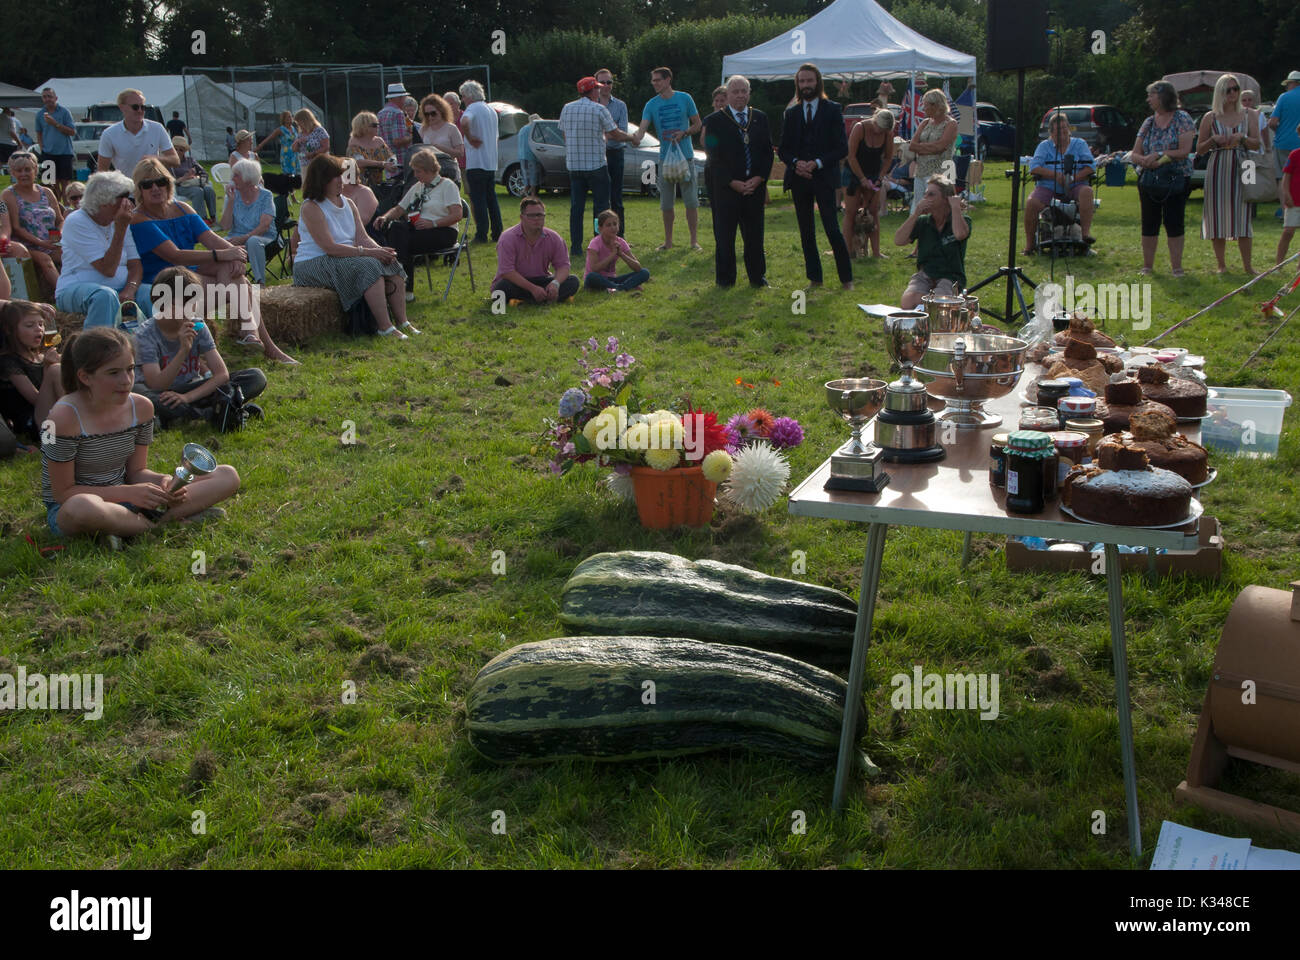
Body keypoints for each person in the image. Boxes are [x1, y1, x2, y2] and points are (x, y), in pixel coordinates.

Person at [41, 326, 240, 539]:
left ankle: (134, 527)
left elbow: (137, 471)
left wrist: (164, 484)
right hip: (80, 505)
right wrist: (127, 493)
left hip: (131, 499)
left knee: (227, 475)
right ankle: (158, 527)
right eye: (113, 373)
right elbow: (62, 493)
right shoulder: (61, 419)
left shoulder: (142, 407)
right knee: (80, 508)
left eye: (130, 369)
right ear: (85, 377)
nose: (126, 380)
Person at [128, 158, 294, 363]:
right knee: (241, 284)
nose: (155, 188)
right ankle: (260, 340)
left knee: (234, 274)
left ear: (169, 183)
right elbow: (174, 255)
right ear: (139, 189)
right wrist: (223, 255)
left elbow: (212, 240)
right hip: (164, 284)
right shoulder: (138, 219)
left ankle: (254, 336)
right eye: (147, 184)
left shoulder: (182, 209)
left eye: (160, 182)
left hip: (189, 275)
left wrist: (236, 256)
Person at [293, 153, 415, 338]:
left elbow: (362, 237)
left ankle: (403, 321)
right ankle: (385, 327)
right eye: (336, 177)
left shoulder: (348, 203)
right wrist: (368, 254)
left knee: (391, 263)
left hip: (345, 255)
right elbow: (330, 248)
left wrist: (380, 251)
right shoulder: (311, 207)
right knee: (369, 267)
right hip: (313, 262)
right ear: (322, 180)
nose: (341, 181)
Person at [135, 266, 267, 429]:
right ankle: (220, 411)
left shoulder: (198, 326)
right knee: (144, 398)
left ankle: (211, 410)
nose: (193, 311)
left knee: (255, 376)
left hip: (192, 389)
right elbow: (157, 385)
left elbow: (221, 374)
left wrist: (188, 398)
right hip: (161, 393)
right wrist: (183, 350)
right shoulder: (145, 335)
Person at [779, 62, 854, 289]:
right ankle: (815, 278)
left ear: (817, 82)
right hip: (799, 179)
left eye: (809, 81)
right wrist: (796, 163)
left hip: (824, 178)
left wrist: (817, 163)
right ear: (797, 84)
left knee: (832, 228)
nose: (806, 85)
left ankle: (846, 279)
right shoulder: (791, 114)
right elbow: (783, 149)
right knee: (806, 232)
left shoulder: (832, 109)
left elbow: (842, 148)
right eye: (802, 81)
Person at [704, 75, 773, 288]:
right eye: (735, 91)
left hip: (754, 188)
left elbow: (767, 152)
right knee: (725, 237)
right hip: (726, 189)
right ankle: (725, 280)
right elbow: (713, 157)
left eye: (744, 91)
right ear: (727, 94)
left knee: (754, 236)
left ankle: (757, 278)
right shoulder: (714, 121)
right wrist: (732, 182)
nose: (740, 95)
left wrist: (759, 178)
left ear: (749, 93)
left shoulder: (760, 118)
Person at [54, 171, 143, 329]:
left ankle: (170, 349)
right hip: (78, 288)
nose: (128, 203)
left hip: (122, 288)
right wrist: (121, 229)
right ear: (103, 201)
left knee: (157, 294)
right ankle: (98, 349)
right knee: (105, 296)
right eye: (123, 197)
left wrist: (130, 288)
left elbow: (135, 264)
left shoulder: (120, 219)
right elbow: (107, 269)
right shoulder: (76, 221)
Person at [373, 148, 464, 301]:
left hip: (443, 230)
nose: (415, 175)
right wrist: (385, 217)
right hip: (418, 230)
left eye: (418, 171)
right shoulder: (418, 186)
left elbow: (457, 215)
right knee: (395, 228)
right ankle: (403, 285)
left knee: (400, 240)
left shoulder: (448, 186)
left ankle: (399, 279)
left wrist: (433, 223)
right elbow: (400, 208)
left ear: (429, 170)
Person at [558, 77, 633, 256]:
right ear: (593, 91)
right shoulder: (599, 109)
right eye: (598, 89)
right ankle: (599, 242)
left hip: (575, 166)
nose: (600, 91)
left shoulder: (567, 108)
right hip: (596, 165)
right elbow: (614, 133)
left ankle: (576, 247)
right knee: (601, 209)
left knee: (576, 208)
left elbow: (564, 134)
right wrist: (632, 138)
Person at [632, 67, 702, 251]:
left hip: (685, 157)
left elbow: (698, 124)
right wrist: (636, 137)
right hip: (665, 159)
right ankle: (668, 242)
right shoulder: (651, 104)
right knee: (666, 203)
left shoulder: (685, 98)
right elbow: (643, 127)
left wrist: (684, 133)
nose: (654, 83)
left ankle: (694, 241)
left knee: (691, 201)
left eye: (658, 80)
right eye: (653, 80)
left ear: (668, 79)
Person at [1131, 80, 1196, 276]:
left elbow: (1184, 150)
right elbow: (1135, 153)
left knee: (1174, 221)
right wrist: (1144, 160)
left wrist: (1160, 157)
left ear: (1163, 96)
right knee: (1149, 222)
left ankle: (1177, 267)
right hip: (1149, 180)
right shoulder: (1148, 122)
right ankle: (1147, 266)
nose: (1148, 99)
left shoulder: (1182, 118)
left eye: (1151, 94)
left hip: (1175, 179)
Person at [1197, 74, 1259, 274]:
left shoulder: (1250, 114)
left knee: (1244, 213)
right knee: (1216, 213)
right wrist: (1213, 140)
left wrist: (1242, 138)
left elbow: (1257, 143)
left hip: (1244, 162)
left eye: (1236, 89)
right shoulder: (1210, 117)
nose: (1233, 93)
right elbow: (1199, 149)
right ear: (1220, 92)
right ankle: (1221, 265)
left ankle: (1248, 266)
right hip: (1219, 162)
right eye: (1228, 89)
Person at [1023, 112, 1097, 253]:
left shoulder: (1080, 144)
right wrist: (1055, 175)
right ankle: (1030, 245)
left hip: (1075, 185)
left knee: (1087, 192)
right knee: (1031, 203)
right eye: (1057, 130)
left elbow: (1090, 167)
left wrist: (1074, 177)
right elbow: (1034, 168)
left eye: (1064, 128)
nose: (1062, 132)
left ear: (1069, 128)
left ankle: (1085, 235)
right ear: (1051, 133)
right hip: (1048, 186)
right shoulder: (1044, 146)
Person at [894, 174, 970, 309]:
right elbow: (899, 240)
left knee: (937, 305)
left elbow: (960, 234)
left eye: (931, 195)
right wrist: (916, 213)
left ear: (946, 199)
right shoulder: (923, 222)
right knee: (908, 302)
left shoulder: (961, 220)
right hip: (926, 273)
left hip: (951, 277)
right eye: (925, 194)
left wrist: (956, 208)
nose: (925, 199)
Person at [0, 299, 63, 449]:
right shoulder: (8, 362)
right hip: (32, 422)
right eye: (30, 325)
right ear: (9, 330)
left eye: (41, 324)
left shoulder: (41, 357)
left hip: (54, 414)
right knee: (56, 371)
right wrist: (49, 368)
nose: (39, 329)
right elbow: (36, 400)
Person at [491, 197, 578, 304]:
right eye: (531, 215)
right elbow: (506, 272)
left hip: (542, 279)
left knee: (573, 281)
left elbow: (563, 266)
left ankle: (531, 299)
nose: (536, 218)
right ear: (521, 217)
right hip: (516, 282)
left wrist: (555, 284)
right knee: (501, 288)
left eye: (540, 215)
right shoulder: (508, 238)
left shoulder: (554, 238)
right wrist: (533, 289)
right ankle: (541, 299)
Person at [2, 151, 63, 293]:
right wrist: (41, 243)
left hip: (51, 242)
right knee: (45, 260)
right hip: (29, 245)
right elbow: (16, 228)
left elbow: (60, 220)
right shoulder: (8, 194)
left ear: (35, 170)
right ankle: (63, 294)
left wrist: (58, 234)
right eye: (19, 171)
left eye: (27, 169)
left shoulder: (46, 192)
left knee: (72, 255)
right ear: (13, 173)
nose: (23, 174)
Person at [842, 108, 895, 259]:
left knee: (873, 211)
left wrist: (879, 178)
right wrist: (862, 179)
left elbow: (888, 158)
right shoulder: (860, 128)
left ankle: (876, 253)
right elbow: (851, 156)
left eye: (884, 130)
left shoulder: (887, 133)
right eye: (879, 129)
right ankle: (847, 251)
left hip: (874, 173)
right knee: (851, 212)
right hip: (853, 172)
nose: (880, 133)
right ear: (874, 120)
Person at [220, 158, 277, 285]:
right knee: (219, 243)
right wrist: (230, 201)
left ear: (248, 178)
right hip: (236, 236)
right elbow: (225, 226)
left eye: (236, 175)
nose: (232, 179)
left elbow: (264, 226)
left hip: (263, 238)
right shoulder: (232, 196)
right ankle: (228, 283)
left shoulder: (265, 196)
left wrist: (243, 238)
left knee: (253, 241)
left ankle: (259, 283)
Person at [97, 89, 178, 174]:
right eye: (135, 107)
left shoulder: (157, 128)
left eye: (143, 107)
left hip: (151, 184)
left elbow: (175, 160)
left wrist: (154, 159)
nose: (140, 111)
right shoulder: (109, 134)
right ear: (122, 107)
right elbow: (102, 171)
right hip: (126, 185)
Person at [461, 80, 502, 245]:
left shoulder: (472, 109)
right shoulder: (490, 109)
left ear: (470, 96)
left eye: (463, 96)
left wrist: (470, 138)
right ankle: (497, 231)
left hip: (476, 161)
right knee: (491, 198)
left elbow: (464, 122)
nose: (463, 99)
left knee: (478, 200)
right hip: (490, 161)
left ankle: (481, 234)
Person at [908, 89, 958, 220]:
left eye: (926, 105)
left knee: (936, 206)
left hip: (940, 171)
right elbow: (912, 145)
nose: (923, 108)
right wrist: (931, 147)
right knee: (919, 207)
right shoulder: (925, 123)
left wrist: (921, 148)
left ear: (936, 105)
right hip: (921, 171)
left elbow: (941, 147)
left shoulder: (951, 124)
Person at [596, 68, 631, 237]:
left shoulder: (620, 105)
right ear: (596, 84)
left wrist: (603, 134)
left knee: (616, 197)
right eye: (602, 82)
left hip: (615, 154)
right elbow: (615, 132)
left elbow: (622, 132)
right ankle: (598, 237)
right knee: (600, 199)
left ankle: (620, 236)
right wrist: (612, 132)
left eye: (609, 82)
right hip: (596, 155)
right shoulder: (591, 104)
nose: (606, 85)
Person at [584, 210, 649, 293]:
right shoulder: (595, 243)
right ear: (600, 229)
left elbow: (638, 268)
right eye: (608, 225)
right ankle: (623, 287)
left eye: (615, 224)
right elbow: (594, 269)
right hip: (597, 278)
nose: (613, 227)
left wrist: (621, 254)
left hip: (613, 279)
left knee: (644, 272)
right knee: (591, 277)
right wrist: (612, 255)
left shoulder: (621, 242)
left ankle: (617, 288)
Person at [34, 88, 77, 200]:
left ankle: (68, 205)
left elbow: (72, 132)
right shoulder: (39, 114)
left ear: (55, 98)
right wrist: (42, 148)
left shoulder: (64, 112)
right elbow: (39, 133)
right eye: (44, 97)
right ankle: (56, 205)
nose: (47, 99)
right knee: (51, 182)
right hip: (48, 153)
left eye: (49, 96)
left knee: (65, 181)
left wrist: (55, 124)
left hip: (64, 152)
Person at [1269, 70, 1300, 219]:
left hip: (1284, 143)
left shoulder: (1284, 97)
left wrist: (1279, 129)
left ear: (1293, 83)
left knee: (1283, 177)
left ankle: (1286, 213)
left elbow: (1273, 122)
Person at [418, 94, 465, 182]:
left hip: (449, 173)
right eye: (427, 114)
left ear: (441, 111)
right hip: (429, 175)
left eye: (433, 113)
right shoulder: (423, 129)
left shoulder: (451, 128)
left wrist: (439, 148)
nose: (430, 117)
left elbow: (460, 153)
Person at [169, 136, 217, 221]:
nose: (178, 152)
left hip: (195, 183)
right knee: (197, 191)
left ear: (185, 151)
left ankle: (213, 217)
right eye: (175, 149)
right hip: (179, 187)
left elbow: (204, 173)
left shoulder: (190, 160)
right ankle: (202, 219)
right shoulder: (169, 163)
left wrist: (198, 178)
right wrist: (184, 178)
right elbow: (169, 182)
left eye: (181, 150)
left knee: (209, 190)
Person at [347, 112, 397, 188]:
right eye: (374, 125)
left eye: (378, 124)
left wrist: (392, 164)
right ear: (363, 127)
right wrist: (382, 164)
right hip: (359, 185)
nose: (378, 127)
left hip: (380, 184)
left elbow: (390, 157)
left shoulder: (379, 141)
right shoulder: (353, 142)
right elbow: (358, 162)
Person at [377, 82, 416, 176]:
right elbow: (397, 141)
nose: (405, 99)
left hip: (388, 162)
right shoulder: (398, 113)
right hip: (401, 163)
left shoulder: (380, 113)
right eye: (404, 97)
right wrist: (412, 136)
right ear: (399, 98)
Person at [1277, 120, 1300, 263]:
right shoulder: (1295, 155)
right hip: (1294, 201)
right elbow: (1286, 177)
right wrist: (1286, 194)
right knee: (1288, 232)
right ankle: (1278, 264)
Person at [257, 110, 301, 179]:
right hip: (286, 155)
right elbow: (269, 138)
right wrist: (259, 146)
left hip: (295, 154)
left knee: (296, 176)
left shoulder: (294, 128)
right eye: (288, 117)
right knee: (288, 175)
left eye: (291, 117)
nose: (290, 119)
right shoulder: (281, 129)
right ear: (284, 119)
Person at [516, 113, 541, 199]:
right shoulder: (533, 128)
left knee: (526, 175)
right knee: (533, 175)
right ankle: (533, 194)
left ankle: (525, 191)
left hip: (522, 155)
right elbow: (537, 140)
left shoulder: (522, 129)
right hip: (531, 155)